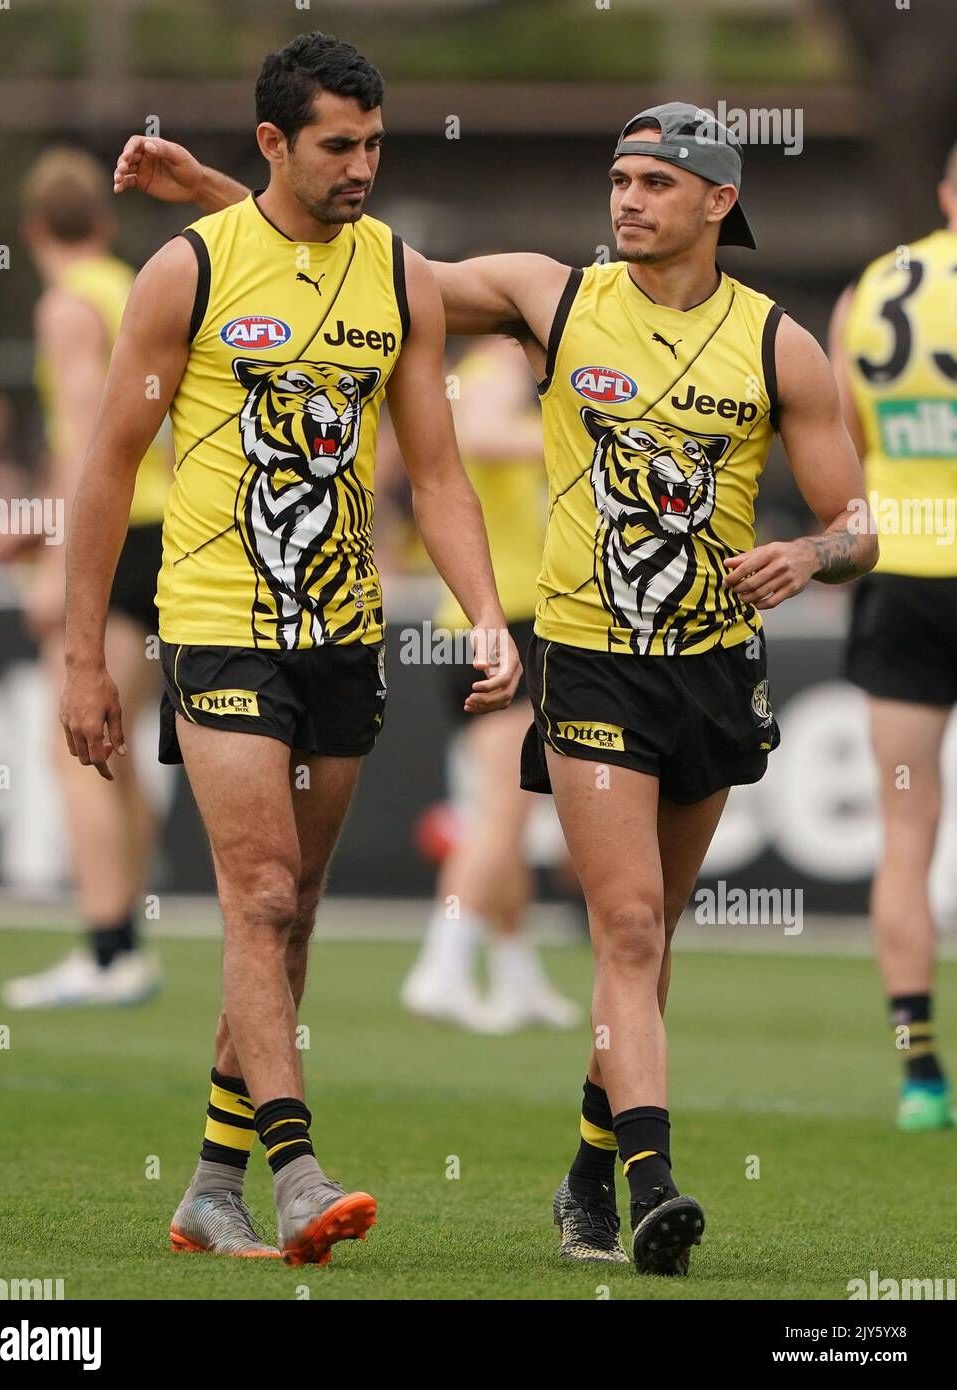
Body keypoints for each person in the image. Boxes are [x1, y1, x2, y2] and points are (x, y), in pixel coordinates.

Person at [113, 100, 877, 1275]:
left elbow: (856, 519)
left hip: (715, 670)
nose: (623, 200)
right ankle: (649, 1180)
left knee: (651, 937)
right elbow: (368, 271)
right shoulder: (550, 295)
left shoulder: (779, 343)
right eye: (616, 178)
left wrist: (813, 554)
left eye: (652, 183)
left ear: (718, 203)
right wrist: (218, 186)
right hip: (583, 657)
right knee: (622, 923)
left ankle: (581, 1174)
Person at [63, 33, 518, 1267]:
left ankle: (211, 1184)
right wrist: (81, 655)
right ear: (271, 143)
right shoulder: (188, 271)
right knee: (258, 893)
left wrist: (482, 609)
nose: (363, 165)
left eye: (374, 143)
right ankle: (296, 1167)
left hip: (346, 635)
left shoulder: (397, 276)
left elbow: (435, 465)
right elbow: (104, 467)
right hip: (216, 623)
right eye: (338, 145)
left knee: (293, 913)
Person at [2, 149, 171, 1010]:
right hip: (166, 530)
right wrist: (30, 522)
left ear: (33, 231)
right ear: (100, 224)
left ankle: (108, 949)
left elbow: (82, 439)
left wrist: (56, 566)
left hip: (118, 533)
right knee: (118, 743)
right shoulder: (131, 284)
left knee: (73, 748)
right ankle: (128, 939)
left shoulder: (67, 304)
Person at [830, 141, 957, 1134]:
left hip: (898, 573)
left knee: (904, 833)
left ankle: (918, 1071)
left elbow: (847, 446)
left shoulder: (869, 288)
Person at [400, 335, 580, 1033]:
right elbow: (479, 431)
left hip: (496, 621)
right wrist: (579, 434)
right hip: (505, 621)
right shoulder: (493, 371)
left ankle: (514, 972)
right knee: (501, 817)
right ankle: (441, 964)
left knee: (509, 814)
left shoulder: (506, 377)